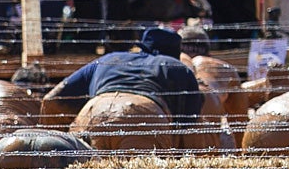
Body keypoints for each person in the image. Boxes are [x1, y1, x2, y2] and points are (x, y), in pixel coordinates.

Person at [40, 26, 208, 150]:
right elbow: (190, 126)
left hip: (92, 112)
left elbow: (51, 101)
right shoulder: (177, 66)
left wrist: (55, 143)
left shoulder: (110, 58)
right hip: (144, 115)